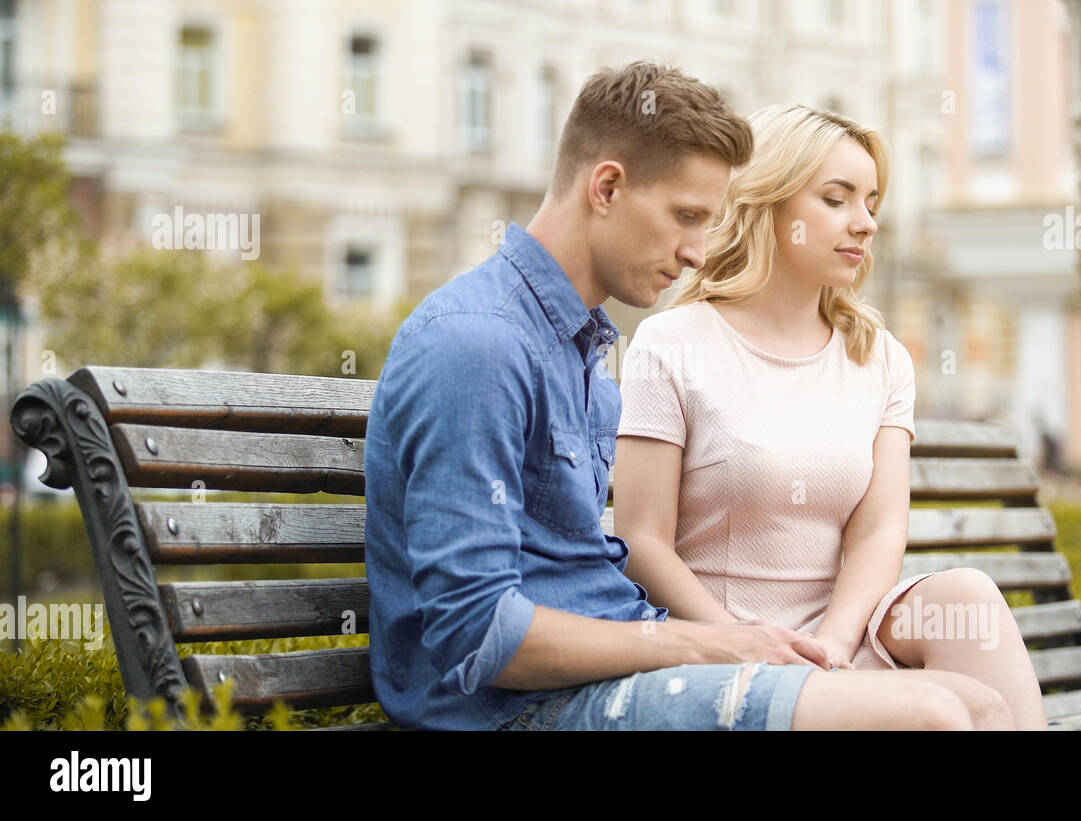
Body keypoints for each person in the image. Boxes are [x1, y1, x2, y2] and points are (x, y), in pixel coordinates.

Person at [366, 62, 1000, 730]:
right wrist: (708, 642)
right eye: (687, 217)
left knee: (981, 705)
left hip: (613, 675)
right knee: (931, 716)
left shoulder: (576, 348)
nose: (699, 253)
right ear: (606, 187)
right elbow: (476, 629)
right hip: (522, 710)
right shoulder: (477, 344)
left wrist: (706, 646)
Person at [614, 103, 1049, 730]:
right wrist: (745, 642)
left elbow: (878, 532)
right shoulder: (671, 344)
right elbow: (643, 541)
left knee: (968, 598)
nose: (865, 223)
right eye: (837, 199)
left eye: (871, 202)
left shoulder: (881, 358)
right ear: (771, 203)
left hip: (839, 644)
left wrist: (837, 649)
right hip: (719, 648)